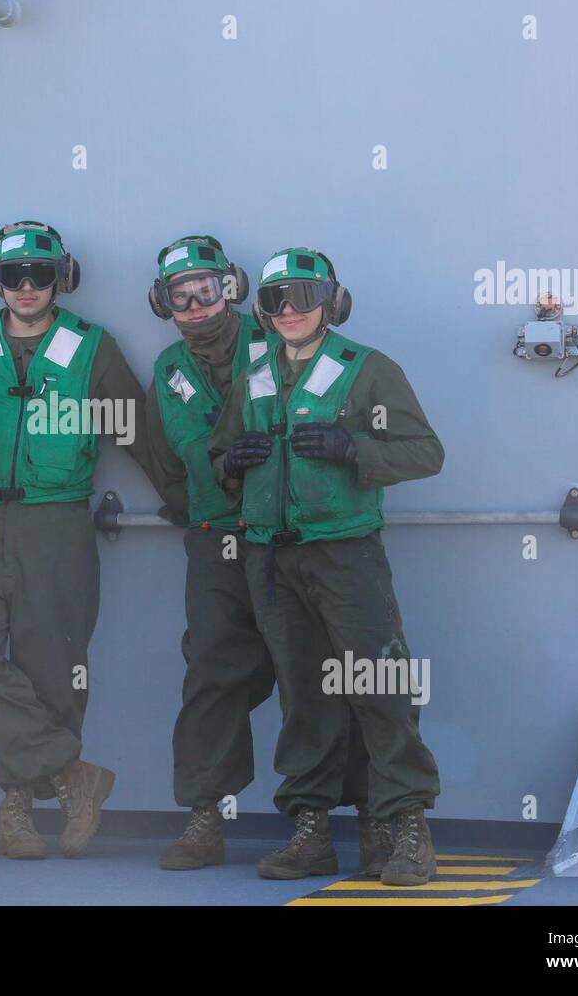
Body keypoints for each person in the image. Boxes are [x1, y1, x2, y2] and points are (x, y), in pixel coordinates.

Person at [208, 246, 443, 885]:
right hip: (271, 558)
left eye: (303, 298)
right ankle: (311, 832)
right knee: (303, 695)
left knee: (380, 686)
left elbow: (426, 452)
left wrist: (354, 449)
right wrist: (230, 466)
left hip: (346, 554)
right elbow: (219, 454)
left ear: (330, 303)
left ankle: (404, 828)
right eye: (276, 299)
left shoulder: (366, 370)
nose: (289, 311)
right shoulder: (252, 372)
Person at [144, 235, 379, 874]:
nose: (195, 304)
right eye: (178, 295)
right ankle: (202, 818)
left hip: (290, 537)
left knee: (331, 672)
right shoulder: (168, 368)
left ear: (233, 289)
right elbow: (166, 454)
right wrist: (196, 501)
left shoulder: (277, 338)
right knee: (215, 671)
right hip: (217, 540)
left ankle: (362, 817)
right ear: (162, 303)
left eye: (207, 289)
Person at [0, 220, 153, 860]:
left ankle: (17, 811)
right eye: (12, 275)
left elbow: (136, 432)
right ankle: (72, 774)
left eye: (40, 274)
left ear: (62, 278)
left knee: (54, 670)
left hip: (55, 523)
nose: (26, 287)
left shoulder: (90, 346)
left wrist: (197, 502)